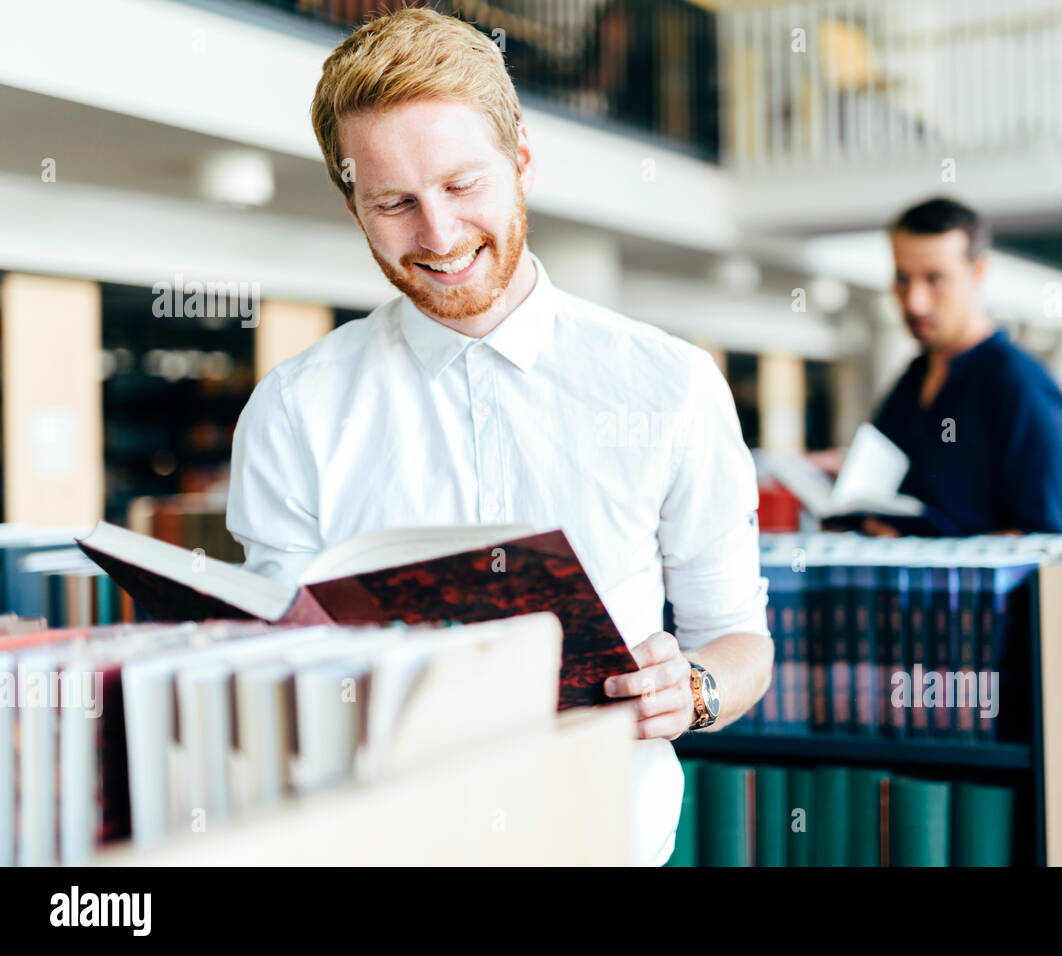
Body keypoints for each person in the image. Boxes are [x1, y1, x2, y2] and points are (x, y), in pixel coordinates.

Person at [226, 9, 773, 866]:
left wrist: (693, 690)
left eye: (461, 185)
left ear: (521, 155)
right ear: (352, 203)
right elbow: (280, 663)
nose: (438, 237)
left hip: (603, 840)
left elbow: (739, 640)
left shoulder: (671, 385)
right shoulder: (294, 411)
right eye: (394, 203)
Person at [868, 198, 1062, 536]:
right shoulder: (911, 380)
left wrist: (922, 546)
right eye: (903, 279)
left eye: (935, 279)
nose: (915, 302)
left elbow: (1046, 539)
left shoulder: (1021, 384)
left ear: (977, 273)